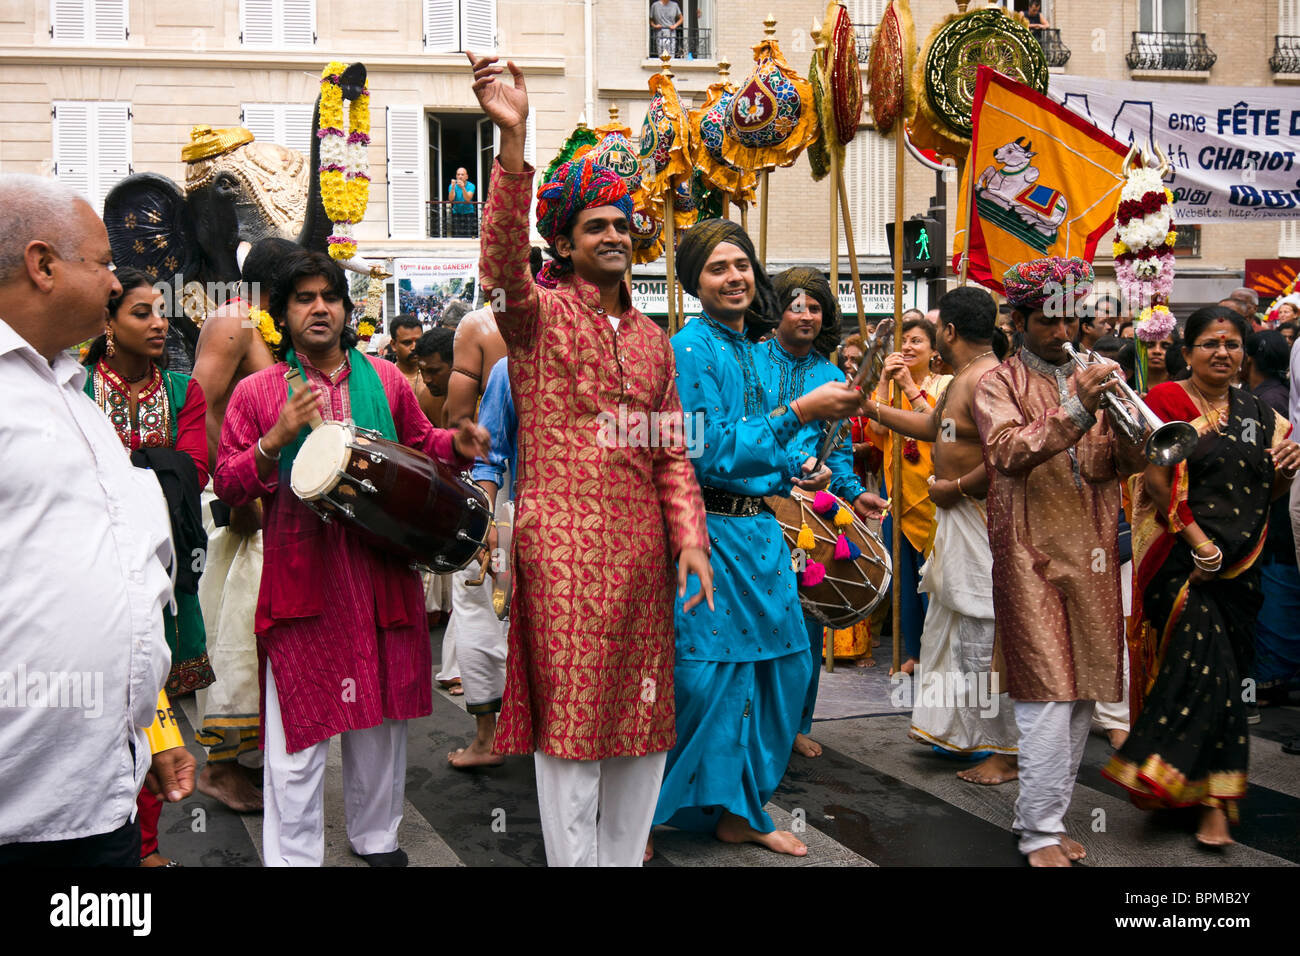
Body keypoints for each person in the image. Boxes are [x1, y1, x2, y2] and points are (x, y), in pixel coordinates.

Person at [469, 50, 712, 867]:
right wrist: (512, 142)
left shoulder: (653, 343)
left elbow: (672, 451)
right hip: (563, 554)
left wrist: (689, 540)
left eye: (622, 224)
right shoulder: (535, 322)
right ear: (565, 243)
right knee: (572, 734)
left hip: (642, 556)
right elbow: (499, 265)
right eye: (595, 226)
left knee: (642, 730)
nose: (614, 234)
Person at [213, 249, 489, 866]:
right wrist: (274, 440)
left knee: (382, 719)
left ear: (346, 309)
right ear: (281, 315)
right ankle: (293, 856)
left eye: (329, 297)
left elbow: (422, 447)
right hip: (302, 577)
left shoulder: (386, 380)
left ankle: (376, 838)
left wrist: (458, 443)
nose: (319, 308)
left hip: (378, 572)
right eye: (303, 298)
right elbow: (229, 483)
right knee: (296, 732)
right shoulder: (258, 392)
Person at [652, 221, 864, 858]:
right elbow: (706, 447)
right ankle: (649, 810)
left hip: (766, 532)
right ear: (694, 283)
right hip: (708, 533)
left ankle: (742, 808)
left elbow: (777, 442)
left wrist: (813, 466)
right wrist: (797, 414)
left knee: (784, 672)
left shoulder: (757, 348)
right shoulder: (690, 349)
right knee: (706, 684)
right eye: (717, 268)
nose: (734, 277)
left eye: (741, 264)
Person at [0, 173, 195, 865]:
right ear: (43, 264)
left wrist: (157, 733)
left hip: (101, 797)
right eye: (103, 262)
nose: (117, 283)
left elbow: (127, 578)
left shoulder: (72, 396)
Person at [973, 255, 1147, 866]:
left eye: (1070, 320)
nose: (1061, 332)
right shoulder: (998, 383)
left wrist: (1128, 422)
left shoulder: (1096, 374)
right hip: (1030, 552)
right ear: (1018, 321)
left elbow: (1117, 465)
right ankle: (1039, 834)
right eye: (1047, 321)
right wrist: (1076, 405)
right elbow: (1007, 453)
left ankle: (1045, 817)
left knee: (1083, 692)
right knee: (1046, 691)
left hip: (1095, 549)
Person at [1104, 308, 1299, 845]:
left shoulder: (1262, 416)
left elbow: (1264, 496)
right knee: (1205, 665)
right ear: (1187, 352)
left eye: (1233, 345)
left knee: (1221, 677)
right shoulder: (1164, 403)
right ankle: (1215, 801)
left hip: (1241, 567)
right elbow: (1157, 482)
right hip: (1179, 560)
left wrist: (1283, 474)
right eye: (1211, 344)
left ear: (1246, 354)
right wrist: (1199, 543)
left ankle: (1189, 783)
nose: (1223, 353)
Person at [862, 287, 1020, 784]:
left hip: (979, 518)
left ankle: (1007, 750)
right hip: (956, 520)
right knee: (950, 630)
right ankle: (961, 732)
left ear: (947, 332)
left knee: (983, 633)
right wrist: (870, 409)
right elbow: (938, 429)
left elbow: (1006, 455)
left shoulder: (989, 380)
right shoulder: (963, 380)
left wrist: (955, 487)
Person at [82, 267, 213, 866]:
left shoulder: (186, 390)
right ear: (107, 323)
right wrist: (153, 469)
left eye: (161, 310)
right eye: (141, 312)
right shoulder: (78, 390)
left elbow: (195, 470)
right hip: (88, 565)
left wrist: (130, 473)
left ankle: (148, 844)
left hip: (161, 563)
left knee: (151, 695)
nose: (159, 322)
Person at [756, 268, 888, 760]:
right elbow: (747, 432)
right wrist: (794, 462)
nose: (806, 314)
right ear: (776, 311)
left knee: (806, 621)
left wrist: (854, 494)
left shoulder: (832, 377)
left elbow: (836, 456)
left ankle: (795, 723)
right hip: (756, 504)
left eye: (815, 306)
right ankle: (752, 719)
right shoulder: (751, 363)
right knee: (759, 619)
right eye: (796, 304)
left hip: (812, 516)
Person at [190, 236, 297, 813]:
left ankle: (251, 756)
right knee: (234, 632)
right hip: (243, 501)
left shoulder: (271, 329)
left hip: (276, 500)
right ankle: (219, 768)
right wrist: (238, 496)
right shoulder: (234, 323)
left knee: (264, 634)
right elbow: (202, 404)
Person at [867, 318, 952, 675]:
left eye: (917, 341)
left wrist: (909, 385)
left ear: (935, 350)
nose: (909, 347)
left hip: (933, 495)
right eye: (903, 341)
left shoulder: (946, 385)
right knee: (902, 580)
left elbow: (941, 428)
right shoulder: (888, 388)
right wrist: (886, 380)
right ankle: (912, 653)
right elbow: (876, 428)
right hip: (896, 496)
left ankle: (938, 655)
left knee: (933, 578)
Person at [448, 355, 519, 769]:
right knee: (482, 607)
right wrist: (487, 521)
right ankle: (489, 738)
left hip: (520, 512)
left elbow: (463, 426)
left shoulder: (499, 353)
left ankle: (490, 739)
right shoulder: (510, 366)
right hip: (518, 512)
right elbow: (480, 446)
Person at [1242, 332, 1300, 712]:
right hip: (1280, 510)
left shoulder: (1268, 400)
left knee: (1280, 593)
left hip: (1277, 514)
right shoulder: (1273, 395)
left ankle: (1270, 680)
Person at [389, 313, 440, 422]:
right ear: (393, 345)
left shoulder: (436, 377)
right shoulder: (386, 378)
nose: (414, 347)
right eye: (407, 343)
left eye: (418, 341)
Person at [414, 326, 455, 426]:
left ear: (455, 364)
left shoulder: (478, 403)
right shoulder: (426, 397)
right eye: (421, 370)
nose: (426, 380)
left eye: (434, 371)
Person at [448, 167, 477, 237]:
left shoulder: (471, 186)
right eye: (458, 174)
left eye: (462, 174)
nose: (460, 176)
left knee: (469, 235)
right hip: (456, 213)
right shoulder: (452, 186)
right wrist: (452, 187)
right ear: (456, 176)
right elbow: (451, 199)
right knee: (457, 235)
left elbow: (467, 199)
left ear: (466, 177)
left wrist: (463, 187)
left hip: (469, 213)